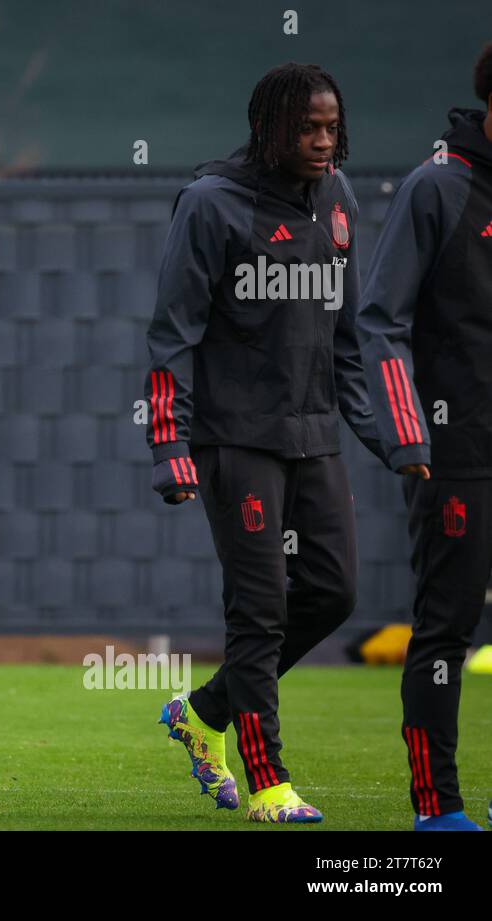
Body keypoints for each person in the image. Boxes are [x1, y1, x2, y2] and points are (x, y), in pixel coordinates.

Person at [143, 62, 382, 823]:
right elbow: (170, 335)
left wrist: (386, 434)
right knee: (260, 610)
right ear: (269, 127)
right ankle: (268, 781)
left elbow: (345, 336)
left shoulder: (338, 200)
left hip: (315, 437)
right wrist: (168, 445)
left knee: (334, 592)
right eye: (308, 128)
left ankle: (203, 709)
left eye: (331, 128)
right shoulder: (211, 205)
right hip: (232, 439)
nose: (322, 142)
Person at [355, 42, 492, 832]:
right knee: (446, 629)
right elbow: (380, 320)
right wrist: (411, 437)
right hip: (457, 455)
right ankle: (437, 807)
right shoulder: (438, 187)